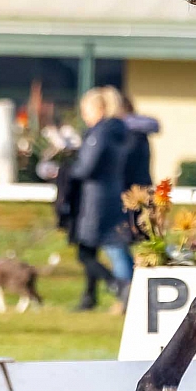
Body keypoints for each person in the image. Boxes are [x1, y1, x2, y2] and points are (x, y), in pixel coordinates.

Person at [68, 86, 132, 310]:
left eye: (86, 110)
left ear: (99, 109)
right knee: (115, 247)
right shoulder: (120, 131)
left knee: (98, 249)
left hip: (97, 200)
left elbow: (87, 167)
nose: (85, 115)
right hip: (112, 193)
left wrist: (64, 172)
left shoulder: (100, 134)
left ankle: (122, 288)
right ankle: (96, 296)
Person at [99, 95, 157, 307]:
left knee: (116, 245)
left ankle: (128, 297)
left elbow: (121, 167)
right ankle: (134, 294)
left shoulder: (128, 136)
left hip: (130, 197)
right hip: (141, 194)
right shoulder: (139, 135)